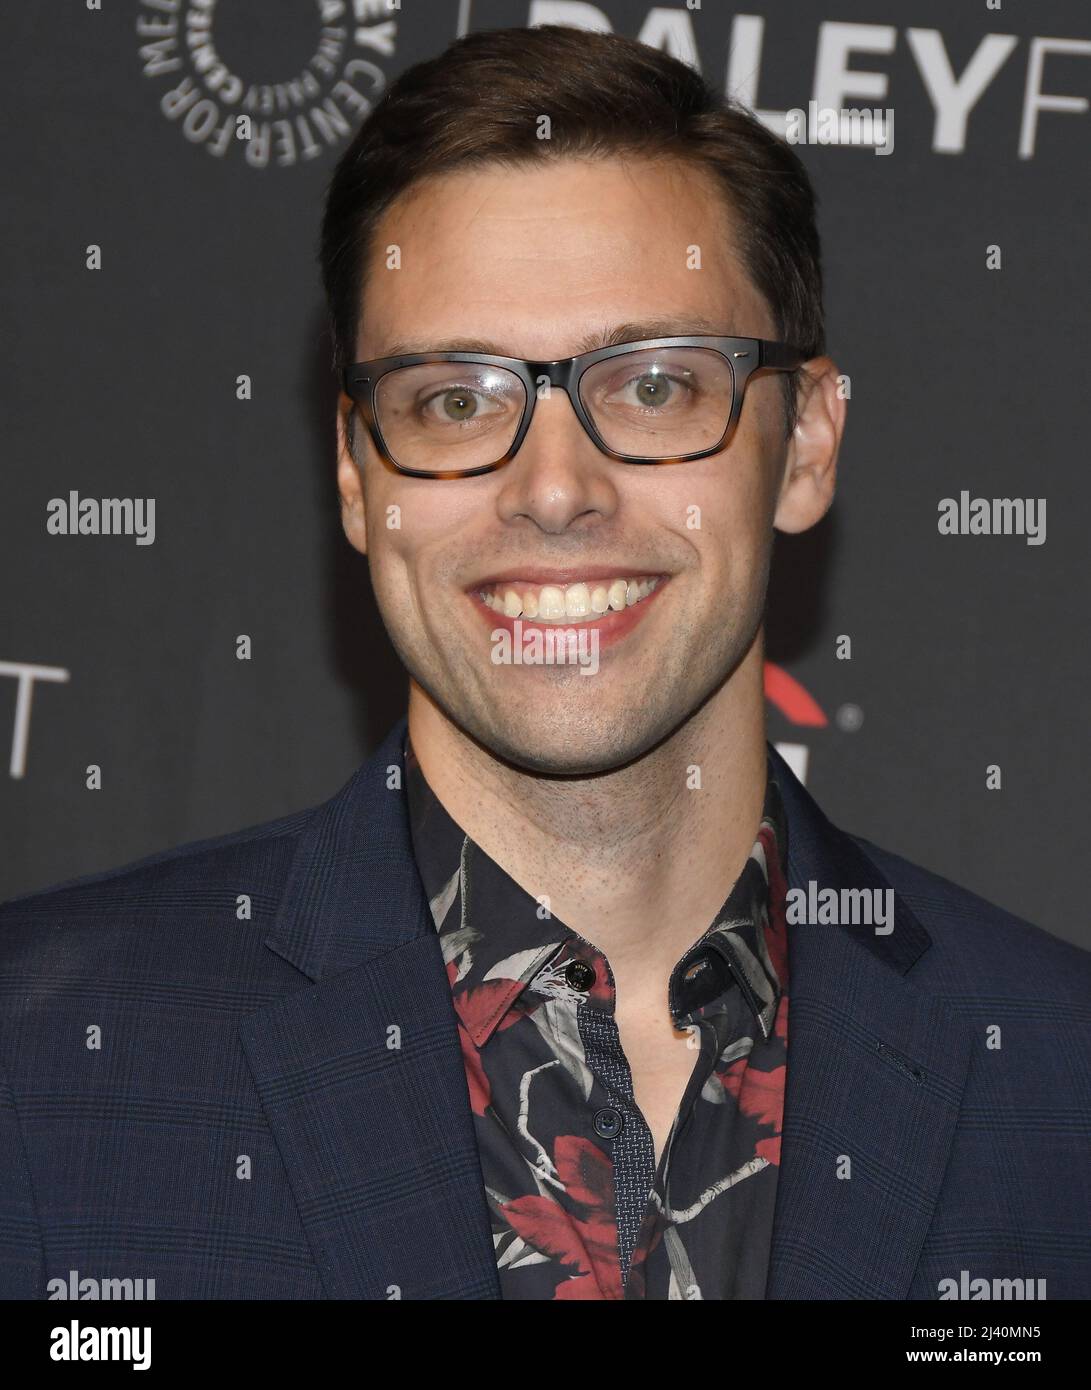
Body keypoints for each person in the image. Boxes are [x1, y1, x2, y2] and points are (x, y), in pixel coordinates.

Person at [1, 25, 1087, 1302]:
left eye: (652, 387)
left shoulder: (1058, 1079)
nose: (554, 489)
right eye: (453, 399)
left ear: (803, 446)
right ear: (355, 474)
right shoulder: (42, 1073)